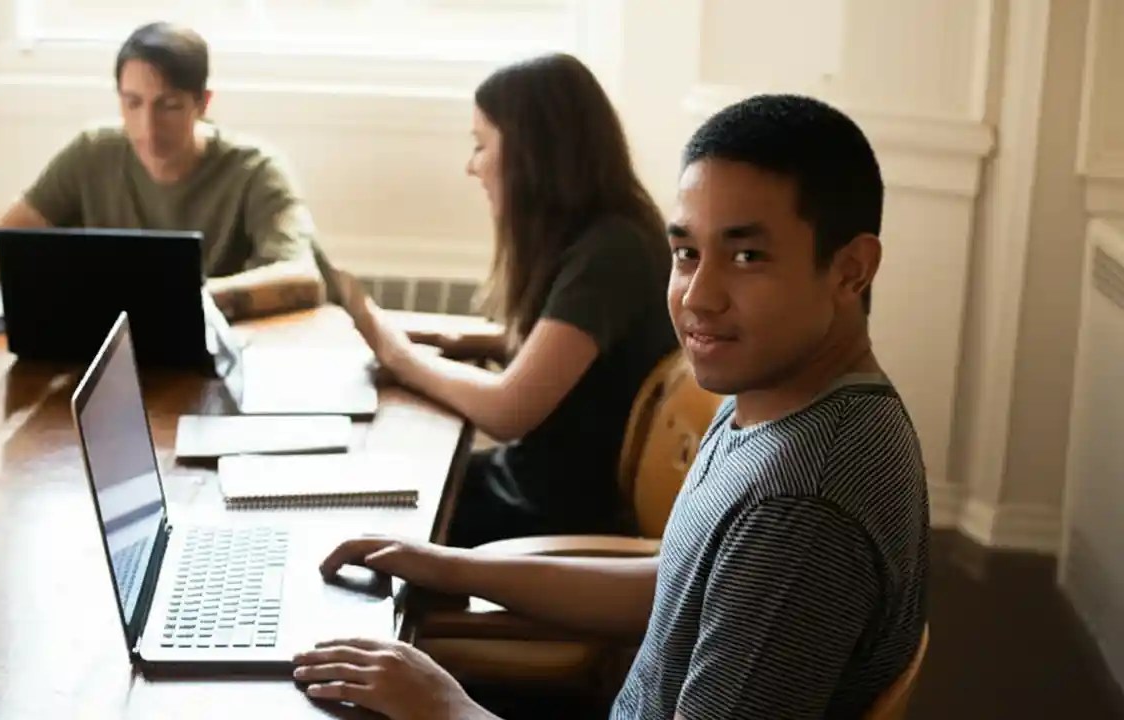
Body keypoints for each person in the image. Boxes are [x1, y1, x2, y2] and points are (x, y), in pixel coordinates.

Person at [295, 93, 930, 720]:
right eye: (686, 253)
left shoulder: (798, 515)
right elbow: (673, 586)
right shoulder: (783, 402)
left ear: (851, 269)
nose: (698, 297)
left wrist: (444, 707)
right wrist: (453, 566)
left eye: (746, 256)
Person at [332, 53, 677, 547]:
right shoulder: (603, 234)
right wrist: (442, 337)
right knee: (367, 479)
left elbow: (508, 410)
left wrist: (401, 358)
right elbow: (564, 348)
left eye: (480, 145)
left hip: (549, 513)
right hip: (532, 486)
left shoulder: (611, 253)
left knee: (359, 505)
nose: (472, 167)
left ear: (533, 152)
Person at [0, 22, 325, 320]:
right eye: (132, 103)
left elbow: (304, 279)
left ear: (202, 103)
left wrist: (176, 302)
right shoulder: (92, 153)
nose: (148, 128)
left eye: (168, 106)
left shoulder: (257, 169)